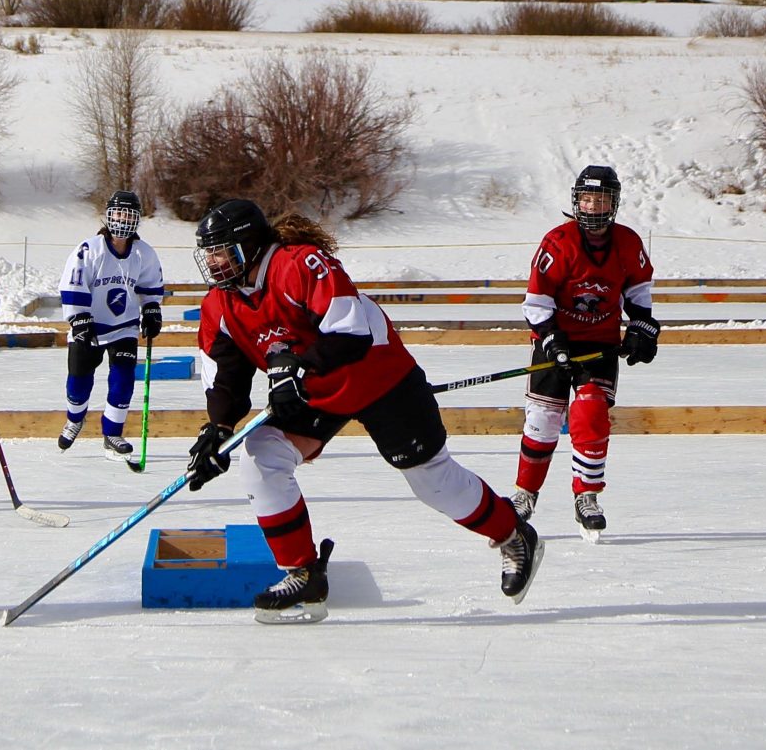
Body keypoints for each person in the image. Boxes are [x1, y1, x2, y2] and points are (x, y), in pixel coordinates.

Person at [184, 200, 540, 624]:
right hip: (314, 391)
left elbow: (350, 332)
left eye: (221, 250)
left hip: (378, 376)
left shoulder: (300, 265)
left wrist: (298, 366)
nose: (212, 262)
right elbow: (226, 377)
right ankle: (303, 573)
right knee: (262, 454)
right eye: (208, 253)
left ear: (248, 245)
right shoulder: (219, 306)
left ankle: (511, 533)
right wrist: (218, 429)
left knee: (432, 480)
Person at [511, 165, 659, 535]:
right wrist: (550, 338)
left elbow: (638, 292)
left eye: (602, 199)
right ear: (577, 200)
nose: (594, 206)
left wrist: (642, 327)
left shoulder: (627, 243)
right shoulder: (558, 243)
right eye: (588, 198)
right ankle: (525, 492)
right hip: (555, 337)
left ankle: (587, 495)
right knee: (543, 421)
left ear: (614, 203)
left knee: (591, 411)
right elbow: (536, 300)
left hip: (599, 343)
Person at [54, 189, 166, 461]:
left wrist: (151, 310)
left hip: (124, 326)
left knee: (123, 380)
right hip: (89, 326)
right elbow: (73, 283)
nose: (123, 219)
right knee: (78, 384)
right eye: (119, 213)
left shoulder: (144, 253)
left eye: (130, 214)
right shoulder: (89, 249)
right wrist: (79, 318)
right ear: (108, 216)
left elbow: (150, 287)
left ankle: (112, 433)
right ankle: (75, 419)